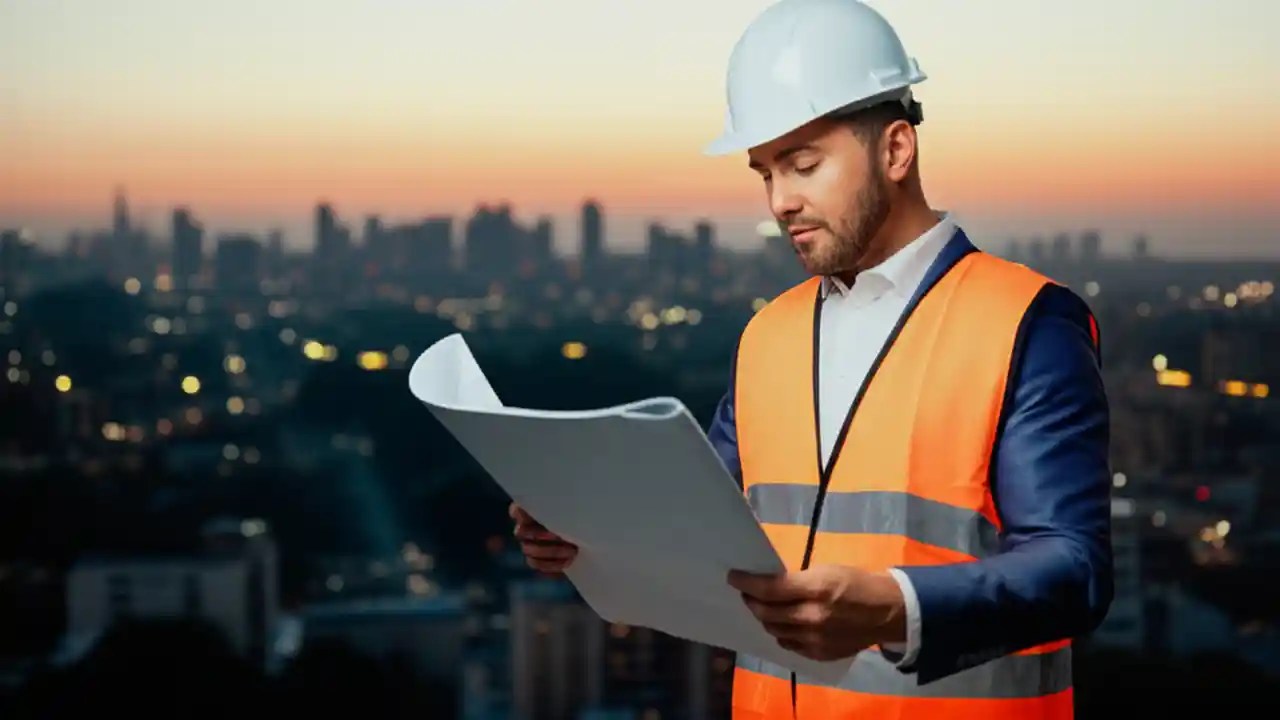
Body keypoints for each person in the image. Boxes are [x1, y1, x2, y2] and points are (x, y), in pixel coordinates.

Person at [510, 0, 1113, 717]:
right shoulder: (769, 337)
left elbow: (1074, 572)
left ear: (895, 151)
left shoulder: (1026, 323)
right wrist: (584, 529)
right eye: (764, 172)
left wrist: (898, 608)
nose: (780, 202)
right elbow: (691, 520)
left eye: (803, 164)